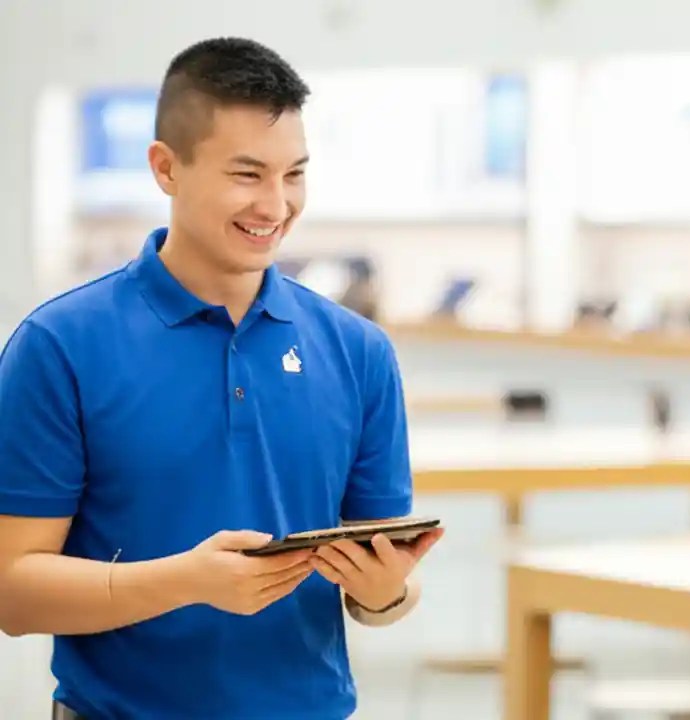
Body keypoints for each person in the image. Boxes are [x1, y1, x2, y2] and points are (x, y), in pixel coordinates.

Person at [0, 37, 443, 719]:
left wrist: (385, 591)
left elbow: (381, 594)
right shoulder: (58, 347)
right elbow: (12, 592)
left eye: (294, 174)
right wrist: (187, 582)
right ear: (165, 168)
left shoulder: (359, 352)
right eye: (247, 174)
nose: (276, 205)